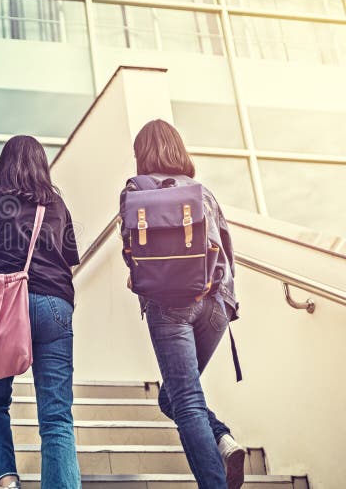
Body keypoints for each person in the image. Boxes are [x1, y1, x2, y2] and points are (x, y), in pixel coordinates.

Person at [122, 119, 246, 489]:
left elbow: (132, 251)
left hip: (168, 305)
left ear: (140, 154)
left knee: (186, 400)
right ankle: (222, 439)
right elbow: (226, 250)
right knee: (172, 395)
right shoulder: (202, 192)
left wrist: (139, 278)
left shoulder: (135, 190)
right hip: (216, 304)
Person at [0, 135, 81, 489]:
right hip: (56, 306)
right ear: (42, 165)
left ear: (3, 163)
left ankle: (7, 480)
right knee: (57, 416)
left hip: (5, 308)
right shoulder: (56, 206)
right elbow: (68, 265)